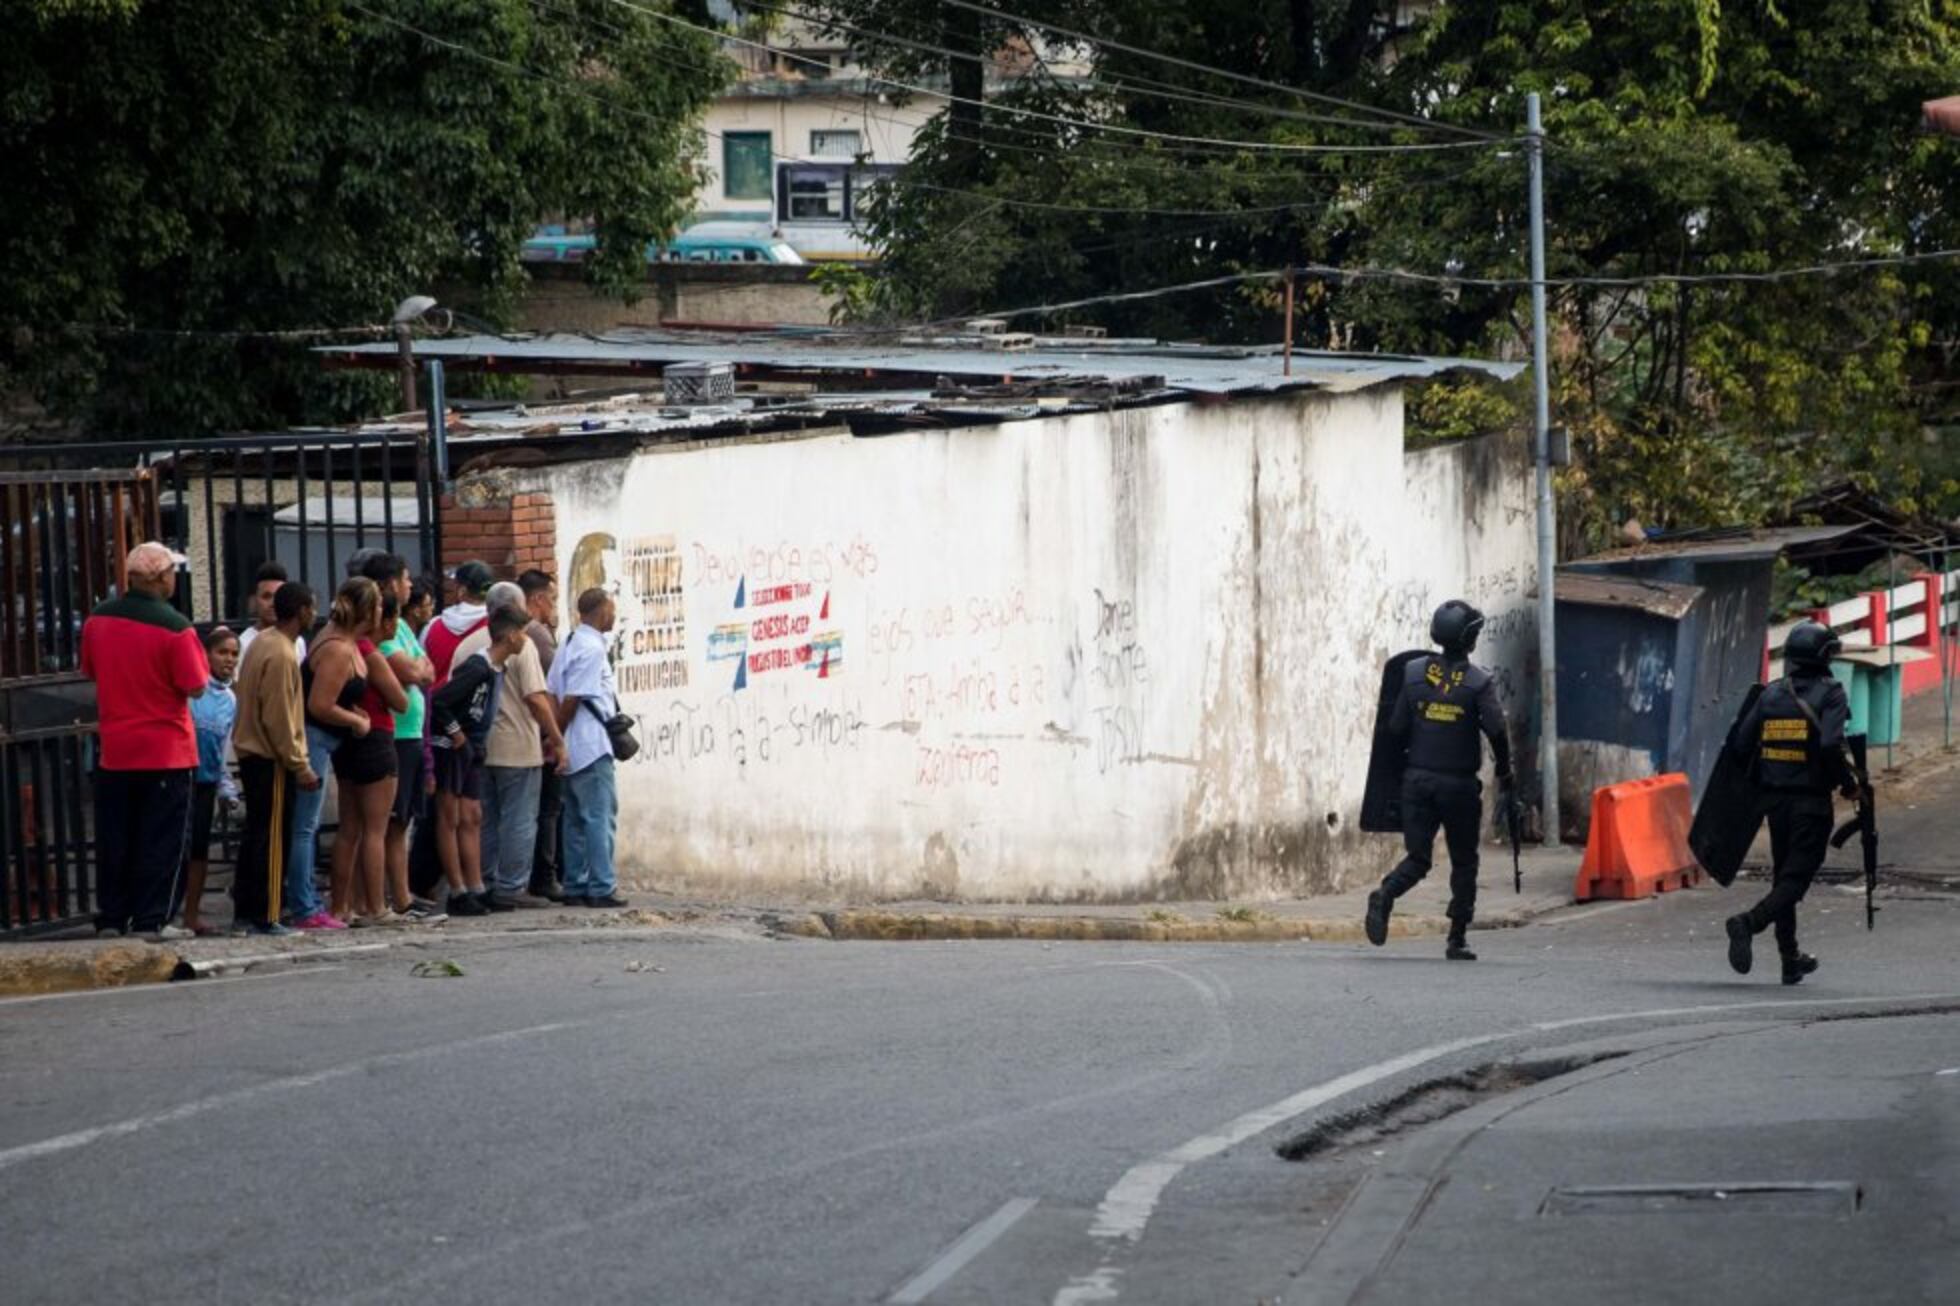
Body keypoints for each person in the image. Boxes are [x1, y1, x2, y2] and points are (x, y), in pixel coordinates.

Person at [1364, 600, 1513, 962]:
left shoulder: (1414, 673)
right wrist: (1505, 772)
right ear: (1470, 639)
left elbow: (1396, 727)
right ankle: (1457, 938)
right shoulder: (1478, 684)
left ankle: (1386, 893)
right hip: (1458, 787)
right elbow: (1497, 731)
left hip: (1416, 782)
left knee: (1418, 858)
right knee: (1464, 862)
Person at [80, 542, 208, 941]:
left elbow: (89, 669)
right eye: (171, 571)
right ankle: (153, 917)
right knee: (163, 839)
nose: (174, 578)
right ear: (159, 578)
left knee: (117, 838)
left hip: (116, 747)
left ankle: (113, 915)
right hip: (166, 748)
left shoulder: (97, 620)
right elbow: (196, 686)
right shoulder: (176, 627)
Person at [1721, 620, 1856, 985]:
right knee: (1795, 881)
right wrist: (1848, 784)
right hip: (1811, 804)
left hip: (1775, 804)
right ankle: (1748, 923)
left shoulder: (1771, 694)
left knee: (1785, 878)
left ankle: (1789, 958)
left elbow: (1741, 745)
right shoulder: (1831, 693)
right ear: (1825, 656)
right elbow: (1830, 745)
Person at [458, 583, 568, 909]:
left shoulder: (468, 645)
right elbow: (535, 697)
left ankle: (486, 881)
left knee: (487, 818)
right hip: (518, 746)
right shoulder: (523, 645)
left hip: (479, 745)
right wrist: (557, 740)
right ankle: (511, 886)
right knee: (520, 818)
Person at [307, 578, 409, 928]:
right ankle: (374, 905)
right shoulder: (353, 649)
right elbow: (400, 700)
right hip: (371, 739)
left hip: (349, 743)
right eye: (380, 604)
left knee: (350, 828)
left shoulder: (344, 644)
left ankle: (342, 905)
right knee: (375, 830)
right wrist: (355, 718)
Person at [232, 583, 324, 934]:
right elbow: (280, 717)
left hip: (253, 750)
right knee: (272, 838)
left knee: (256, 833)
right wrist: (300, 763)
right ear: (301, 611)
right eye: (311, 607)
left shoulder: (262, 641)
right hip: (269, 755)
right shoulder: (283, 653)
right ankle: (267, 912)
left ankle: (247, 908)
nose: (314, 614)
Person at [430, 606, 531, 914]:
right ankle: (458, 891)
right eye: (523, 633)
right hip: (452, 747)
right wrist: (456, 733)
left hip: (473, 750)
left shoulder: (497, 669)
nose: (525, 639)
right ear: (511, 635)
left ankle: (477, 887)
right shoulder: (477, 667)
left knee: (472, 815)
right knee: (450, 818)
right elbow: (441, 701)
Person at [365, 554, 443, 923]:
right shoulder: (383, 628)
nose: (411, 586)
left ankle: (402, 895)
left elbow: (427, 669)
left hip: (411, 734)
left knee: (402, 822)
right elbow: (412, 669)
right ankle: (382, 900)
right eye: (406, 579)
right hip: (395, 734)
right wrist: (417, 672)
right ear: (391, 583)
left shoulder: (403, 627)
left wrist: (418, 672)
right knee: (388, 823)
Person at [550, 588, 628, 910]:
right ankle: (601, 885)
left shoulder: (568, 642)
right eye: (612, 609)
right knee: (599, 817)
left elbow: (553, 689)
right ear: (601, 611)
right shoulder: (592, 649)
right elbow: (572, 698)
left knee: (575, 820)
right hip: (590, 744)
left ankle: (575, 884)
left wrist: (557, 739)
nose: (614, 615)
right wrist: (557, 736)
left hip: (573, 746)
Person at [178, 626, 242, 936]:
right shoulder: (194, 689)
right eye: (222, 652)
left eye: (234, 654)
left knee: (200, 851)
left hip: (207, 781)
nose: (229, 659)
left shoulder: (230, 699)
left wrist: (226, 788)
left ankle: (192, 915)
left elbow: (222, 747)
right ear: (206, 654)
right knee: (176, 847)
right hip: (182, 775)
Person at [519, 569, 565, 900]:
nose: (554, 605)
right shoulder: (537, 634)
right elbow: (554, 686)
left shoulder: (516, 631)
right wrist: (556, 735)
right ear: (537, 599)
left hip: (525, 734)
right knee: (548, 809)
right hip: (541, 736)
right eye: (552, 598)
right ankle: (544, 875)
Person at [426, 560, 494, 690]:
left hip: (438, 704)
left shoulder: (433, 626)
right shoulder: (498, 627)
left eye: (454, 585)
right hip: (480, 707)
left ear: (461, 591)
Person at [238, 561, 306, 666]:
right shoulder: (243, 644)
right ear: (255, 600)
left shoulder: (298, 642)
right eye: (266, 596)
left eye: (278, 596)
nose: (273, 603)